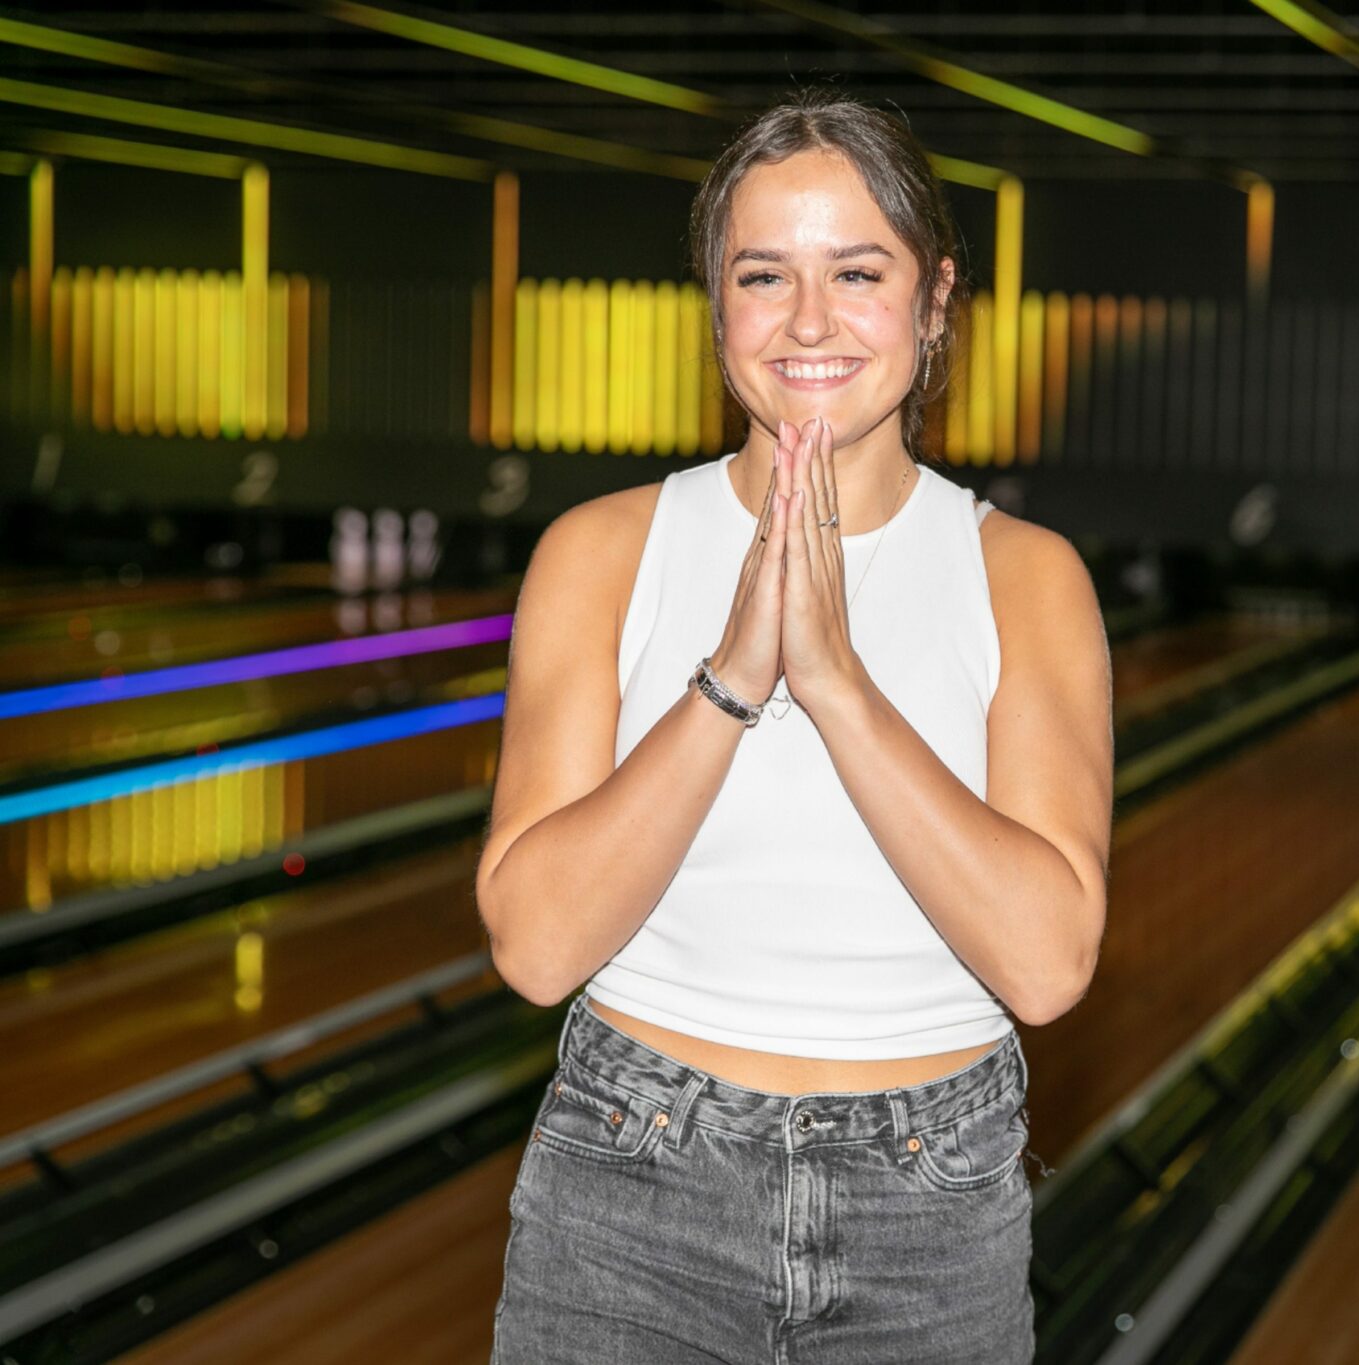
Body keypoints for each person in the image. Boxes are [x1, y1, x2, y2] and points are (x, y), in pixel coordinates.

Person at [476, 88, 1113, 1363]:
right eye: (764, 275)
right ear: (717, 305)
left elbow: (1047, 966)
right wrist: (731, 677)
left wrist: (832, 682)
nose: (809, 322)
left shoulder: (1025, 577)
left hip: (928, 1209)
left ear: (935, 303)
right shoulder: (603, 554)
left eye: (857, 272)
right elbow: (537, 948)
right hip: (628, 1186)